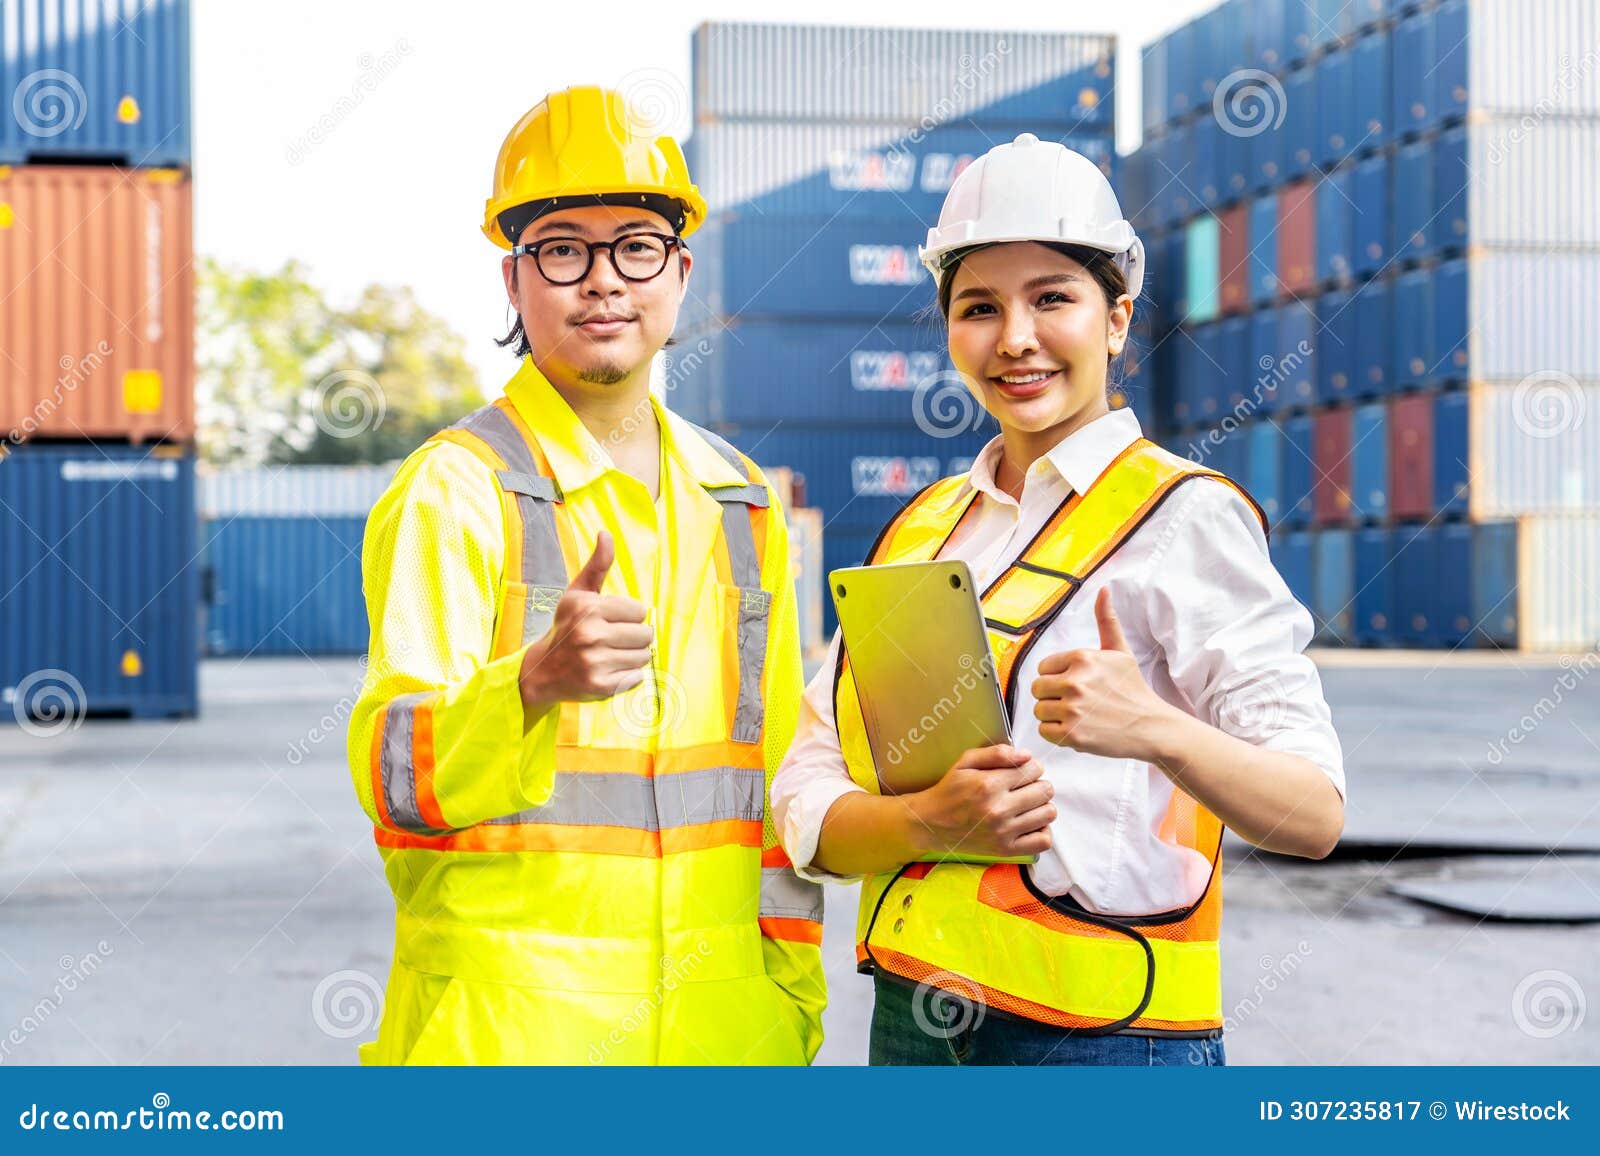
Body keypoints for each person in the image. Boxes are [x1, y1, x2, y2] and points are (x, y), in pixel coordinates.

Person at [771, 134, 1345, 1066]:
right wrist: (927, 824)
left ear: (1117, 319)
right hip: (912, 1035)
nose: (1016, 339)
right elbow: (804, 790)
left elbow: (1315, 814)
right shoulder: (923, 532)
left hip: (1103, 1054)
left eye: (1053, 299)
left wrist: (1155, 729)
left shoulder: (1184, 519)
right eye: (979, 307)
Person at [347, 86, 824, 1065]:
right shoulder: (457, 487)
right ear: (516, 280)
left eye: (636, 246)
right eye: (564, 247)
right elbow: (393, 772)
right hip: (509, 1041)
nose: (603, 280)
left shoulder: (740, 501)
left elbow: (773, 783)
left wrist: (790, 1006)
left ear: (679, 272)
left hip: (722, 1039)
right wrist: (529, 683)